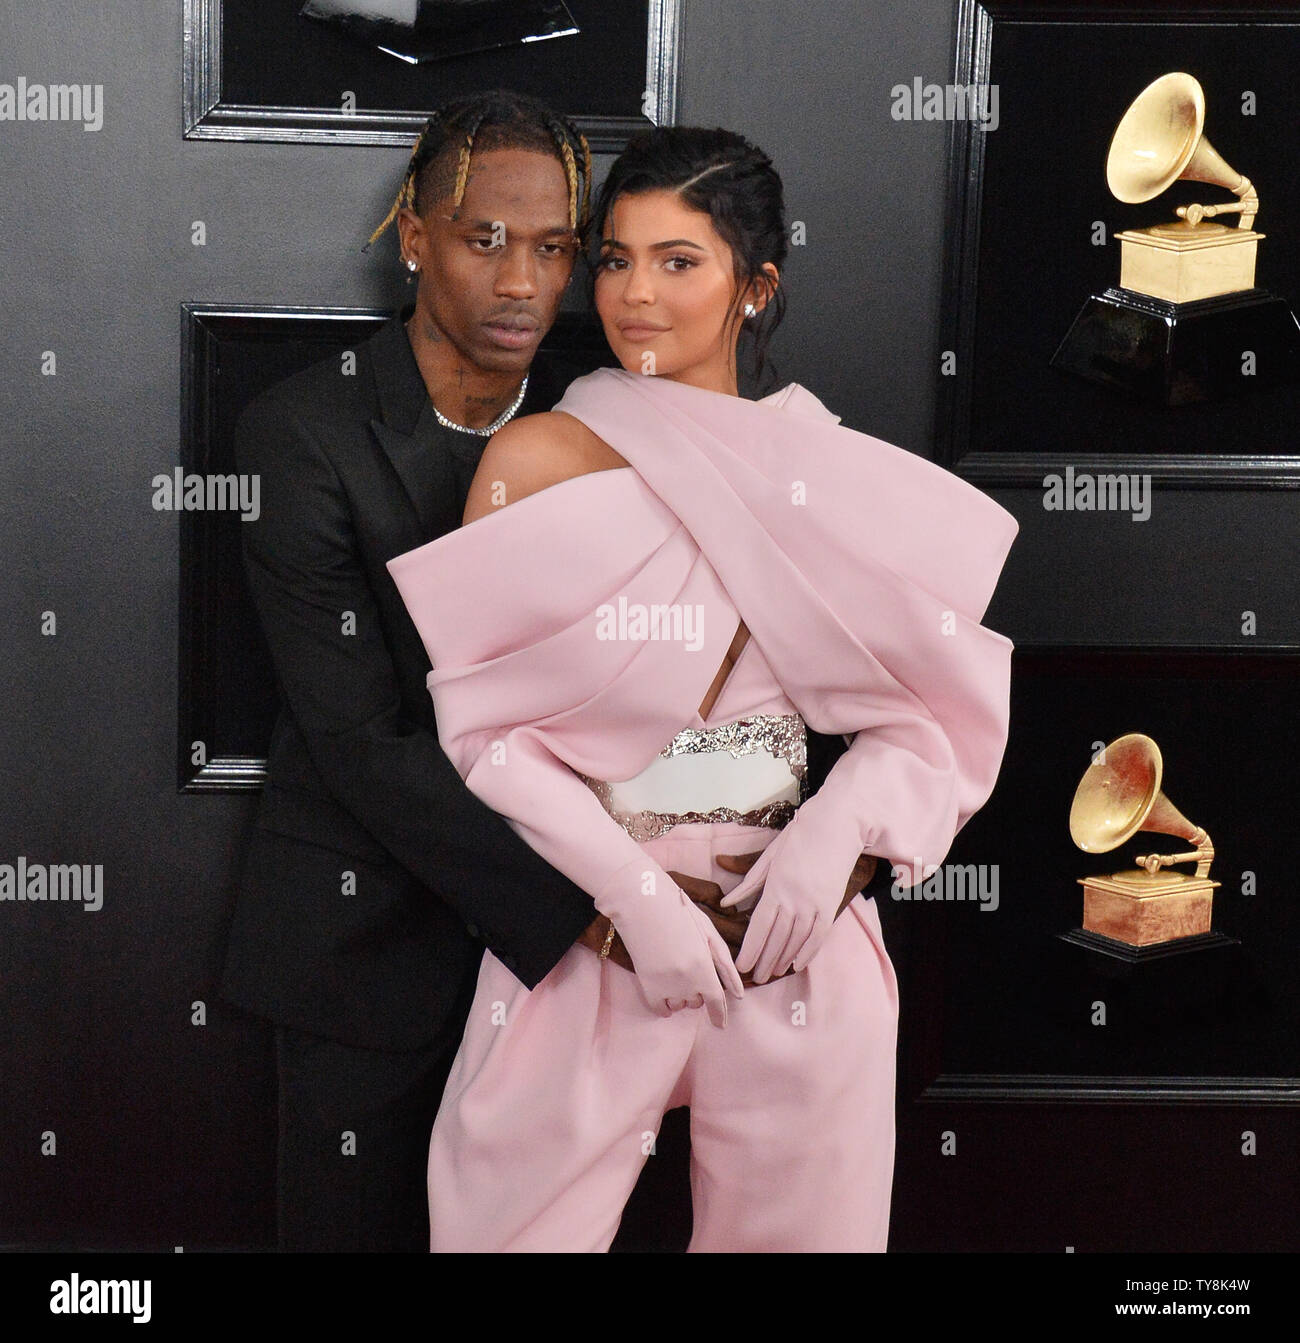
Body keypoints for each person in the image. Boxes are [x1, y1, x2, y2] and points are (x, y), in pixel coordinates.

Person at [218, 91, 883, 1252]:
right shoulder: (300, 431)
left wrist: (780, 834)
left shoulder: (630, 393)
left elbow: (745, 673)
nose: (522, 280)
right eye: (483, 240)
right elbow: (363, 736)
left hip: (612, 968)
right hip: (376, 933)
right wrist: (599, 908)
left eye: (555, 248)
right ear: (414, 236)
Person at [385, 125, 1020, 1251]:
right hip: (589, 942)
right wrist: (628, 894)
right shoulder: (536, 456)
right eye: (619, 258)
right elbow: (486, 732)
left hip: (798, 951)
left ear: (756, 285)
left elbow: (929, 714)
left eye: (679, 261)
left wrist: (836, 831)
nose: (634, 295)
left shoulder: (823, 467)